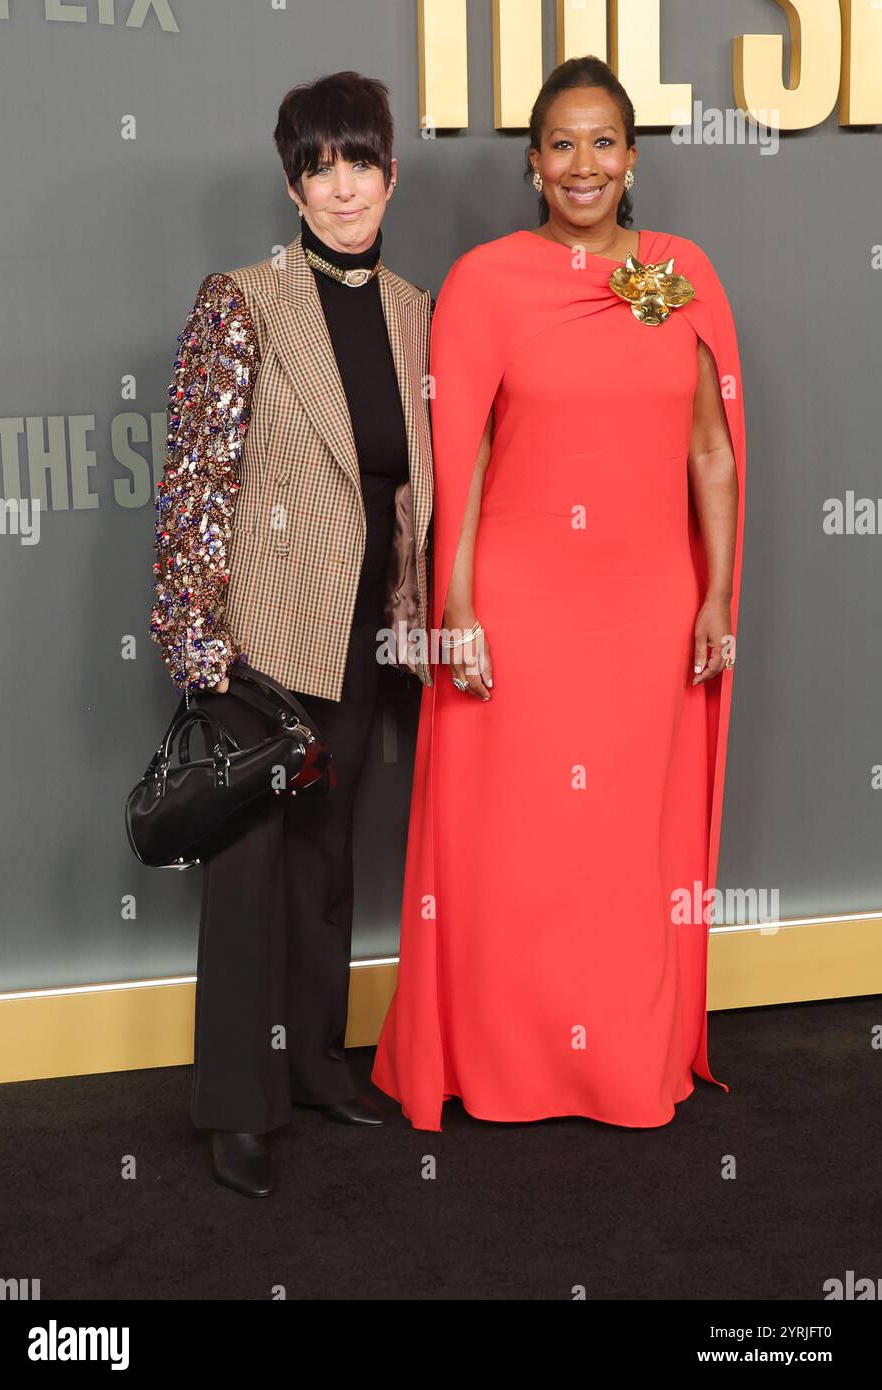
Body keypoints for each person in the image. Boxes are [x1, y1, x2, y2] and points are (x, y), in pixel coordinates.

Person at [372, 56, 746, 1131]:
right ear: (534, 164)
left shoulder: (680, 273)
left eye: (603, 142)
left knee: (626, 845)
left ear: (632, 160)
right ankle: (507, 1059)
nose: (584, 164)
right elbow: (465, 455)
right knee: (516, 842)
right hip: (521, 604)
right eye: (562, 145)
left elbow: (711, 451)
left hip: (648, 605)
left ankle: (620, 1059)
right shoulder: (486, 281)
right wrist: (456, 608)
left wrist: (717, 595)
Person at [150, 70, 433, 1195]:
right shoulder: (243, 299)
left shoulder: (412, 307)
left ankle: (316, 1065)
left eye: (360, 162)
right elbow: (196, 478)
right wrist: (197, 640)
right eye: (320, 167)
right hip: (257, 634)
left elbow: (409, 484)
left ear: (391, 174)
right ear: (292, 186)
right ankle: (238, 1106)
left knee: (325, 854)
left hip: (361, 627)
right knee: (249, 870)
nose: (343, 186)